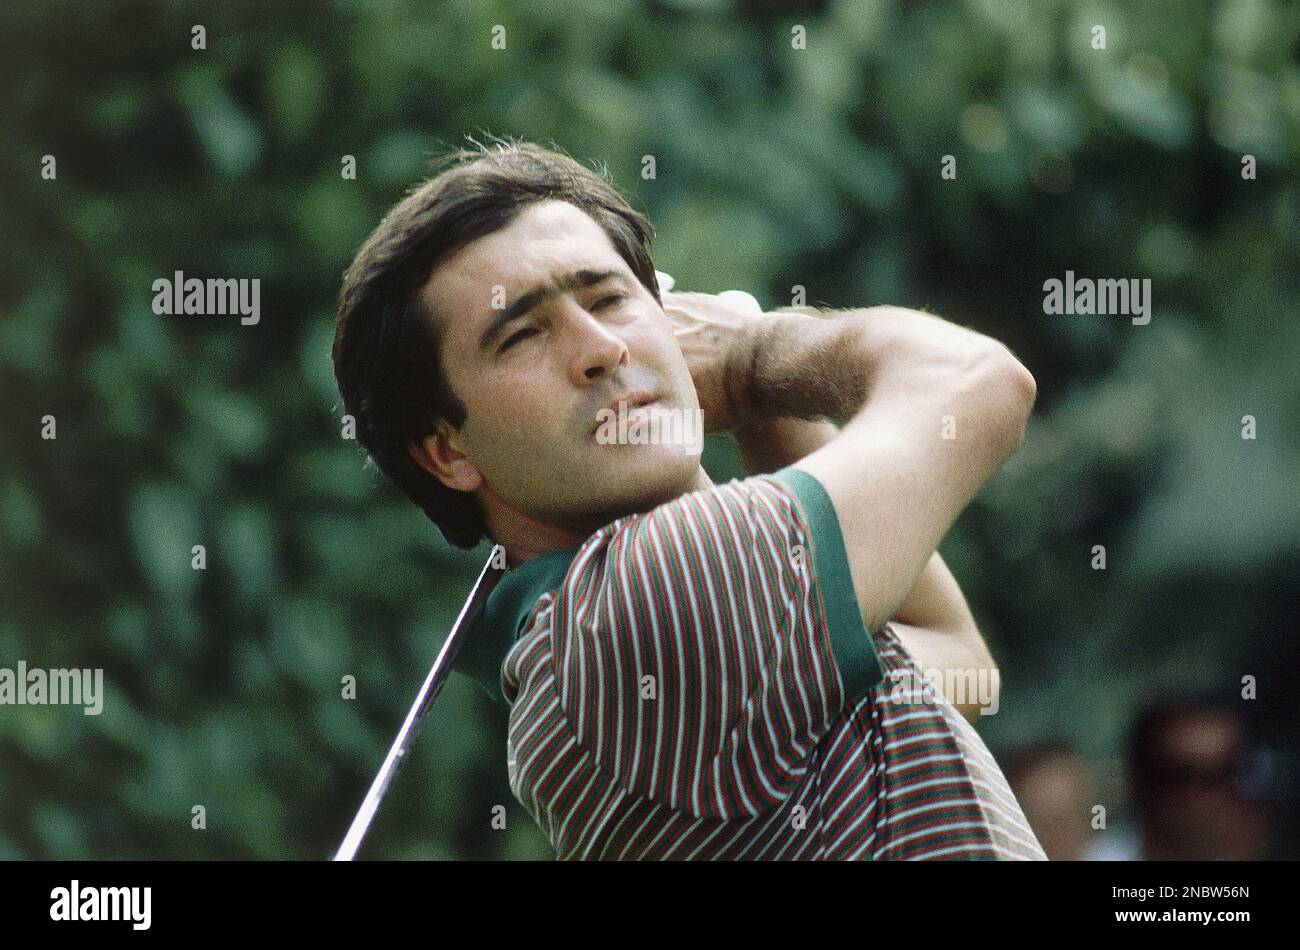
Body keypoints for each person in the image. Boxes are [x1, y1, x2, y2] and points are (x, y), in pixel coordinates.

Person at [332, 136, 1045, 859]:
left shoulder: (591, 642)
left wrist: (765, 407)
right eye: (520, 335)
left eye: (609, 297)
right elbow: (978, 381)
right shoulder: (650, 598)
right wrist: (753, 356)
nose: (601, 349)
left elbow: (959, 664)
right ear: (449, 451)